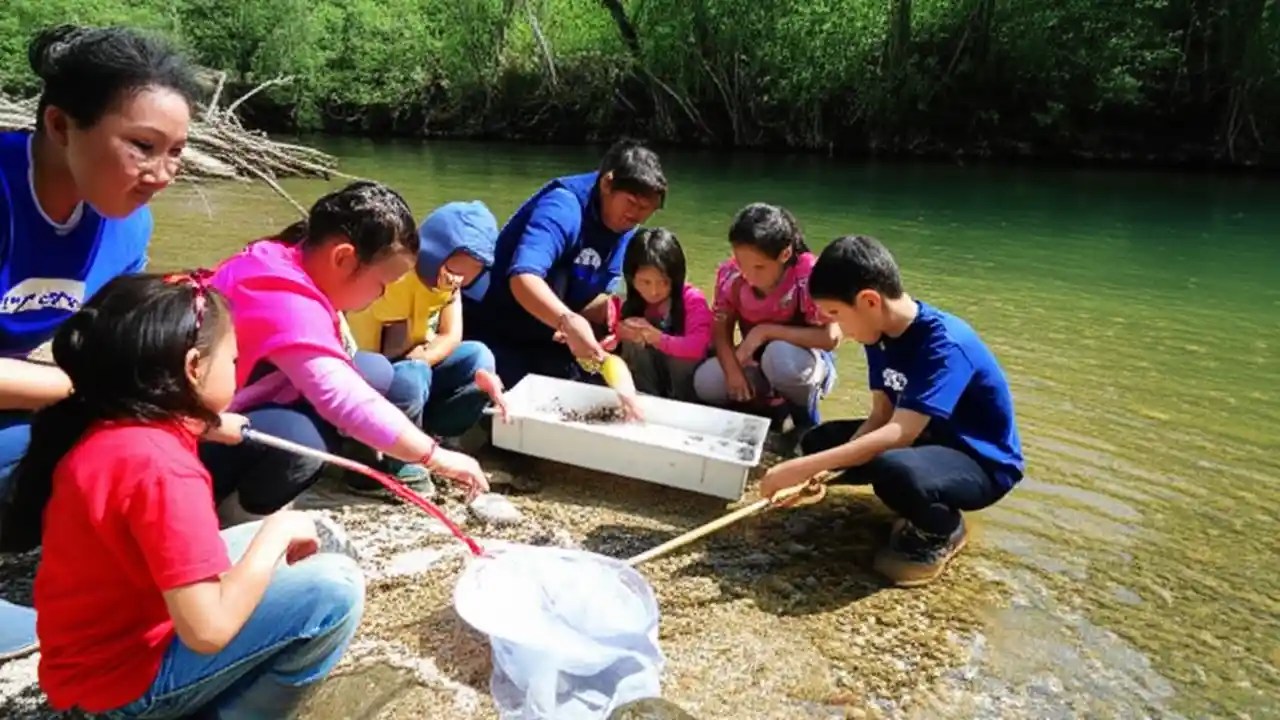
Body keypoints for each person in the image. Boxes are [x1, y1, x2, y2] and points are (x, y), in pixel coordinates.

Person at [0, 273, 363, 718]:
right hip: (119, 692)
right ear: (193, 367)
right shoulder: (164, 468)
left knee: (280, 547)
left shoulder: (104, 426)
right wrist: (277, 532)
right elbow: (207, 631)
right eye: (233, 360)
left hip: (79, 668)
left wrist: (207, 422)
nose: (237, 368)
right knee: (336, 590)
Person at [0, 25, 198, 661]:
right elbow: (82, 376)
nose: (161, 175)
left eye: (177, 153)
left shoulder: (126, 219)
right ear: (60, 127)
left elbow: (107, 342)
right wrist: (77, 387)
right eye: (143, 147)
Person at [200, 181, 491, 521]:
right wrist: (434, 456)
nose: (380, 296)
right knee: (303, 442)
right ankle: (235, 518)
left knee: (375, 372)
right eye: (381, 285)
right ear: (343, 258)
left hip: (241, 401)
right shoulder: (282, 298)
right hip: (198, 433)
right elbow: (343, 398)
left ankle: (345, 457)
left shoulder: (285, 256)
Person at [759, 235, 1024, 587]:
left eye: (837, 314)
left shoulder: (945, 343)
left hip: (980, 462)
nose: (839, 329)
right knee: (820, 441)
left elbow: (901, 433)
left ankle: (941, 531)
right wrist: (820, 472)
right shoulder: (878, 334)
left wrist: (801, 468)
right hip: (927, 440)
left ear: (869, 300)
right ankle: (915, 502)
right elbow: (881, 415)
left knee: (891, 469)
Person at [462, 139, 667, 391]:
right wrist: (567, 322)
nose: (636, 216)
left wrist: (618, 318)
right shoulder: (563, 207)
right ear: (606, 183)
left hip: (552, 336)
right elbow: (523, 278)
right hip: (504, 330)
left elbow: (593, 295)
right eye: (632, 204)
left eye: (647, 209)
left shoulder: (623, 222)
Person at [344, 201, 506, 493]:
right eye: (455, 269)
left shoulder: (448, 284)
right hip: (373, 373)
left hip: (416, 364)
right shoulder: (397, 279)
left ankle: (436, 437)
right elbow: (394, 351)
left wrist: (475, 376)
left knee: (479, 357)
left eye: (469, 273)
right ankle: (400, 458)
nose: (458, 280)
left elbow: (452, 334)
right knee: (411, 374)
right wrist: (424, 357)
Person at [692, 203, 840, 431]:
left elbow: (831, 339)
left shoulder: (809, 275)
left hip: (805, 360)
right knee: (707, 383)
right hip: (757, 358)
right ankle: (772, 407)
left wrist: (765, 332)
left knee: (779, 356)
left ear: (785, 254)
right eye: (741, 264)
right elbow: (720, 329)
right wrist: (732, 371)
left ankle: (806, 421)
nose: (748, 276)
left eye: (759, 267)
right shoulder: (731, 275)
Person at [609, 227, 713, 401]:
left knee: (682, 358)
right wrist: (620, 332)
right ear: (631, 278)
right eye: (645, 282)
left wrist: (657, 338)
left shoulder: (692, 300)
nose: (654, 291)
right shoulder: (625, 301)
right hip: (649, 379)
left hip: (686, 385)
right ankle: (644, 397)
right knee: (632, 341)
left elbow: (698, 347)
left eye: (663, 282)